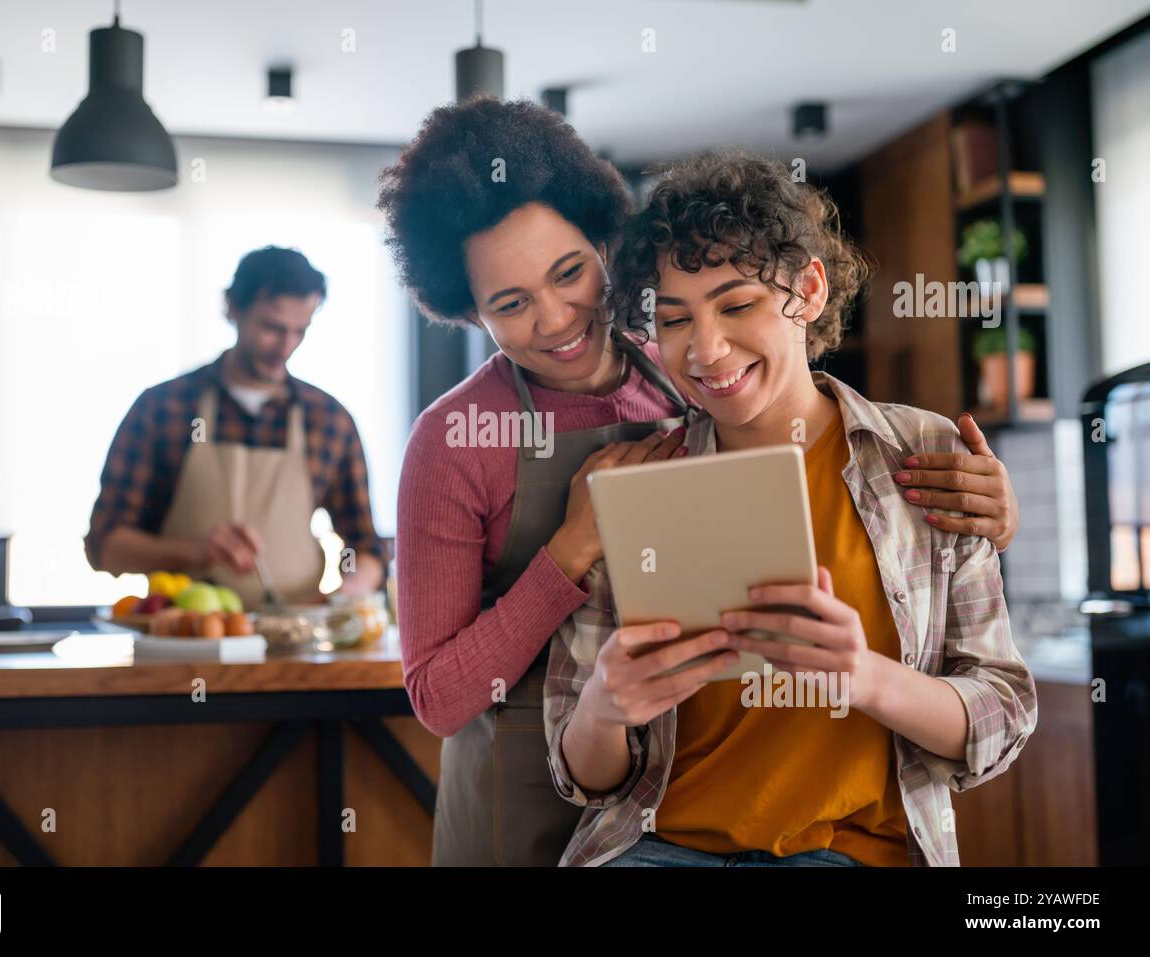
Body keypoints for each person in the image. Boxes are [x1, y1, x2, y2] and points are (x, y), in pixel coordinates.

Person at [380, 98, 1022, 866]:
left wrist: (987, 517)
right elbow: (445, 700)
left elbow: (989, 685)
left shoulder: (699, 385)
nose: (554, 319)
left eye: (570, 273)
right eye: (510, 304)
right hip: (545, 803)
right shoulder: (460, 441)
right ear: (470, 311)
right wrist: (574, 551)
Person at [544, 149, 1037, 867]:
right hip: (657, 848)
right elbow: (583, 775)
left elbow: (1006, 712)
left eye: (737, 304)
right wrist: (604, 707)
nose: (706, 349)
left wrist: (865, 676)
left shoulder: (923, 455)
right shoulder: (638, 482)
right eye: (675, 319)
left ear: (807, 289)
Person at [85, 246, 385, 608]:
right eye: (271, 328)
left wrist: (350, 591)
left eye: (299, 331)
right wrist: (193, 552)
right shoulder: (164, 408)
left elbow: (365, 548)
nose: (285, 346)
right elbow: (106, 547)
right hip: (184, 641)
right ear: (232, 308)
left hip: (296, 641)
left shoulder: (328, 420)